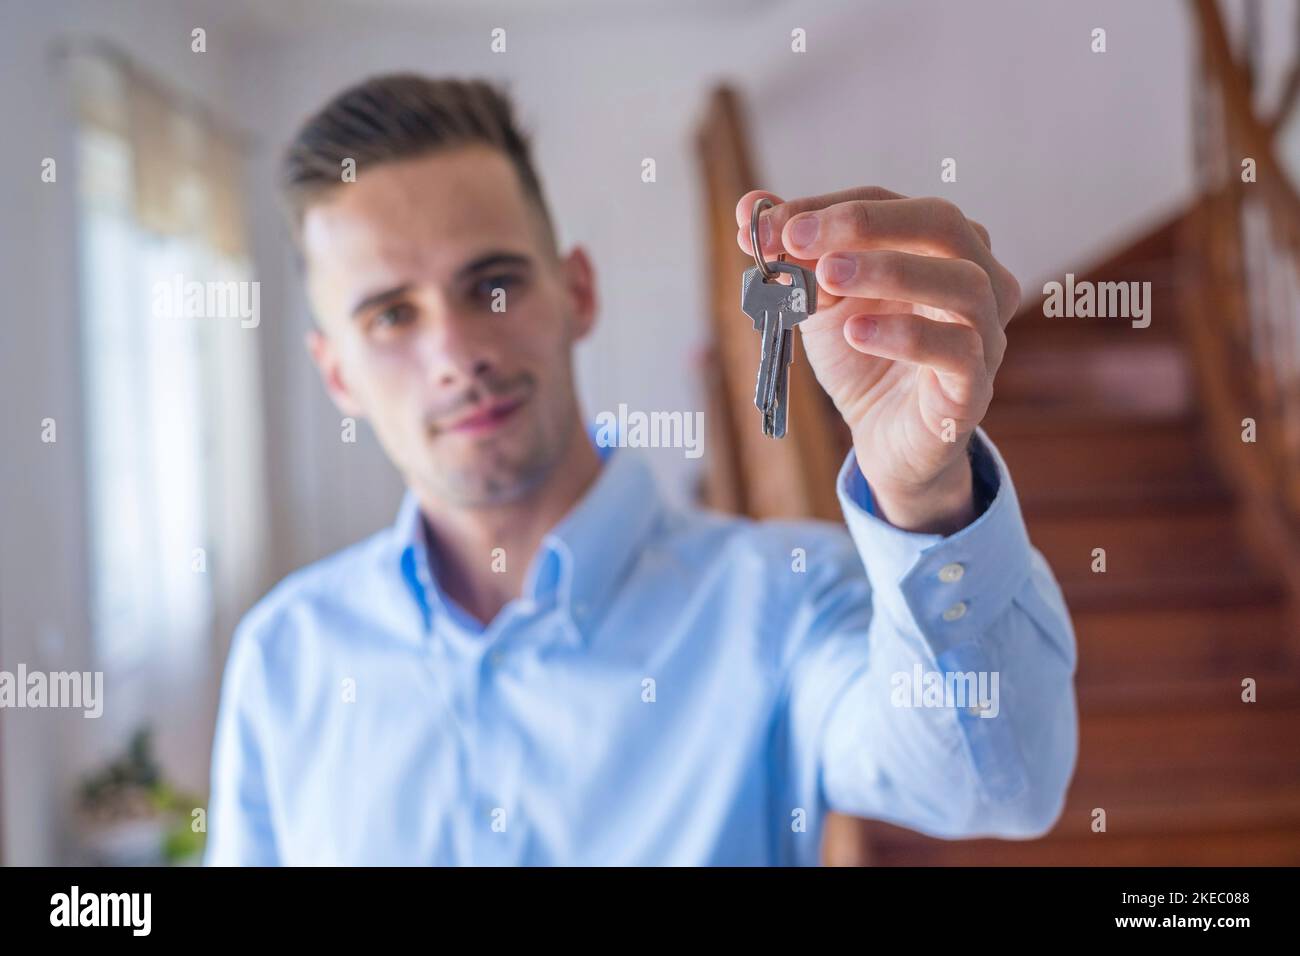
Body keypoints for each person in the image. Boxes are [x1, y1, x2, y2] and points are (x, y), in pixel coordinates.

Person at [204, 74, 1077, 865]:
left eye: (493, 285)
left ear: (576, 292)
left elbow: (1001, 788)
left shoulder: (783, 602)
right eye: (392, 315)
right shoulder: (285, 658)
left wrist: (923, 494)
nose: (455, 354)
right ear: (337, 373)